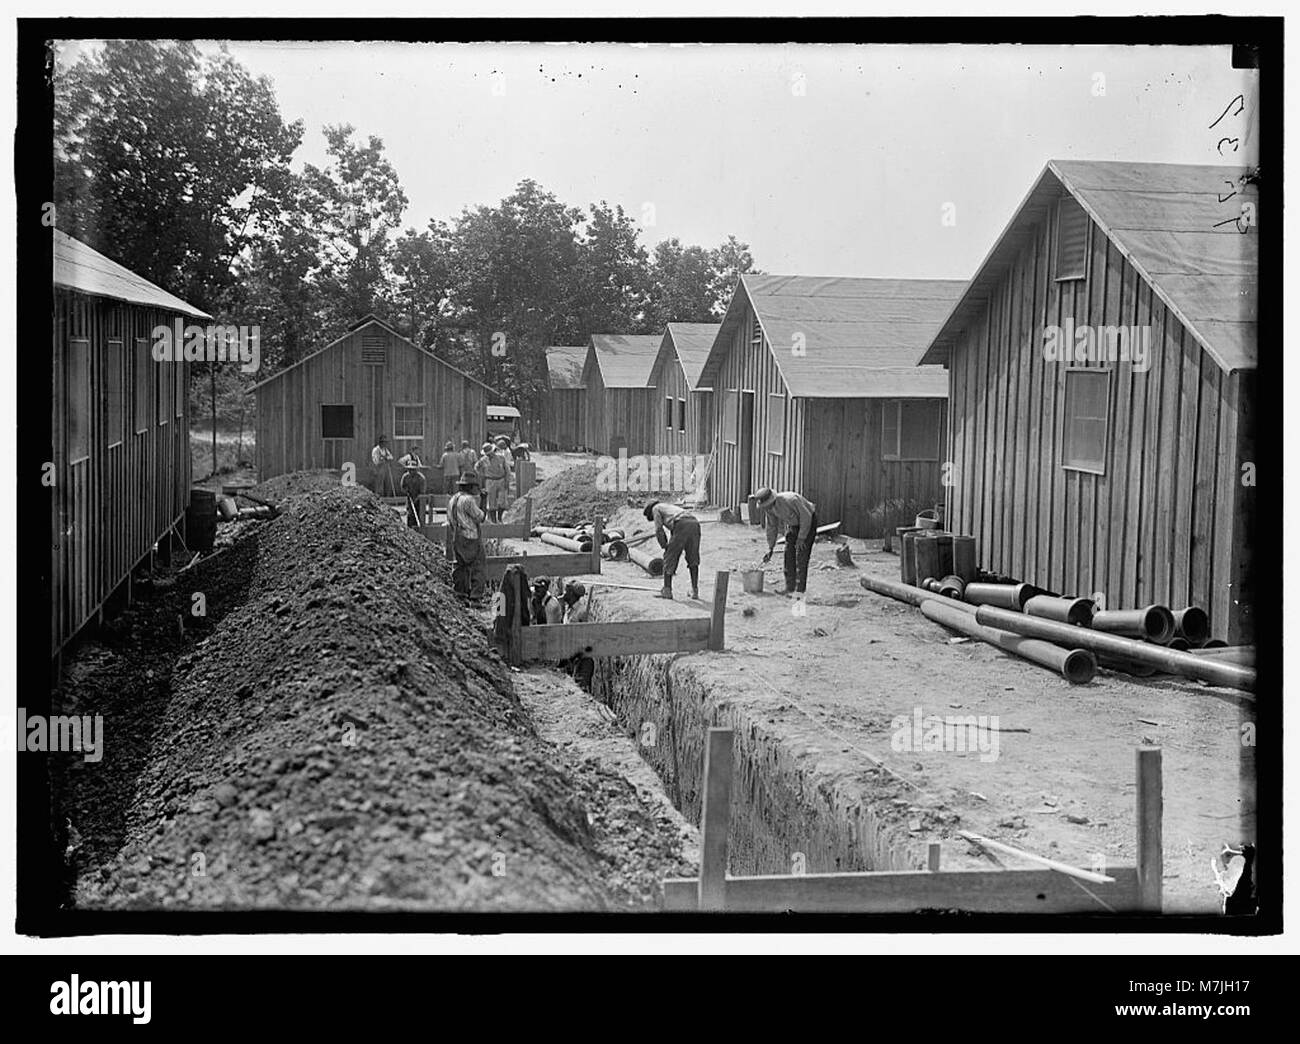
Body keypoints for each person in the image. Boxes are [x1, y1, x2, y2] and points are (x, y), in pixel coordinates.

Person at [755, 487, 819, 596]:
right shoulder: (769, 509)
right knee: (788, 555)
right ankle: (789, 588)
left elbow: (806, 517)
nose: (765, 508)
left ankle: (799, 591)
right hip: (793, 525)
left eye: (766, 506)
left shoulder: (791, 500)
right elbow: (771, 527)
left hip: (808, 522)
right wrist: (770, 548)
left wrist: (801, 538)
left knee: (801, 557)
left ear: (771, 500)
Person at [644, 500, 701, 600]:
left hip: (681, 524)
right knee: (693, 558)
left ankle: (667, 590)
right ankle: (694, 590)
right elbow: (673, 529)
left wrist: (664, 546)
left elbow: (659, 530)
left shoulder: (656, 508)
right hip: (694, 523)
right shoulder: (668, 506)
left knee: (669, 558)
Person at [447, 471, 487, 597]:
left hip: (456, 537)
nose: (477, 489)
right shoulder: (468, 500)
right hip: (470, 538)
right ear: (470, 487)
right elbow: (481, 517)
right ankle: (476, 596)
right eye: (475, 486)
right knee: (478, 565)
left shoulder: (453, 499)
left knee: (460, 566)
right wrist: (484, 501)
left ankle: (460, 592)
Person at [478, 440, 513, 523]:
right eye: (487, 454)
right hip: (490, 481)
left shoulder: (501, 458)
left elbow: (507, 470)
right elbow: (476, 467)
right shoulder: (483, 460)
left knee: (502, 502)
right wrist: (482, 474)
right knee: (491, 503)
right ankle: (493, 521)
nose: (488, 455)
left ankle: (500, 518)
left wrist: (507, 481)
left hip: (501, 480)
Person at [399, 458, 426, 528]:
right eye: (410, 469)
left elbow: (422, 492)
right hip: (409, 498)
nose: (411, 471)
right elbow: (402, 487)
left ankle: (419, 529)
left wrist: (416, 499)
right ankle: (410, 528)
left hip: (419, 500)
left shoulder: (421, 478)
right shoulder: (405, 477)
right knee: (410, 514)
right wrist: (406, 491)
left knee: (418, 514)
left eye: (413, 469)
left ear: (416, 470)